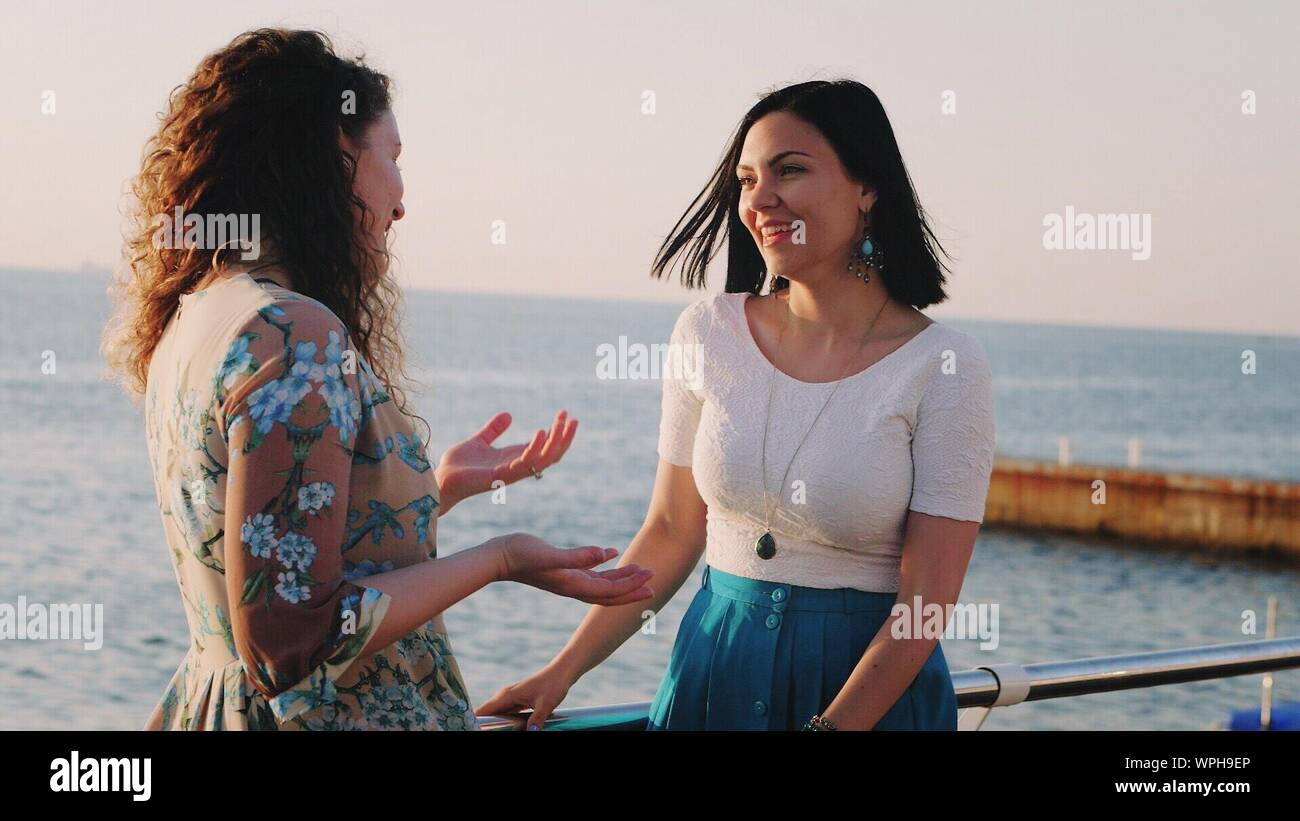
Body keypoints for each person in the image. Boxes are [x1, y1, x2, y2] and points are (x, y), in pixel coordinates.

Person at [101, 28, 653, 730]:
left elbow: (278, 546)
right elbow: (292, 643)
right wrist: (502, 556)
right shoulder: (295, 334)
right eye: (391, 157)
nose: (401, 201)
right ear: (334, 160)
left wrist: (434, 490)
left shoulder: (202, 314)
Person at [478, 79, 995, 731]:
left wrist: (834, 728)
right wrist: (564, 668)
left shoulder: (942, 365)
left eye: (791, 170)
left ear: (867, 186)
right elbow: (669, 532)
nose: (761, 198)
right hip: (714, 670)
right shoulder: (707, 333)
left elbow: (926, 603)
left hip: (869, 696)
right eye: (748, 179)